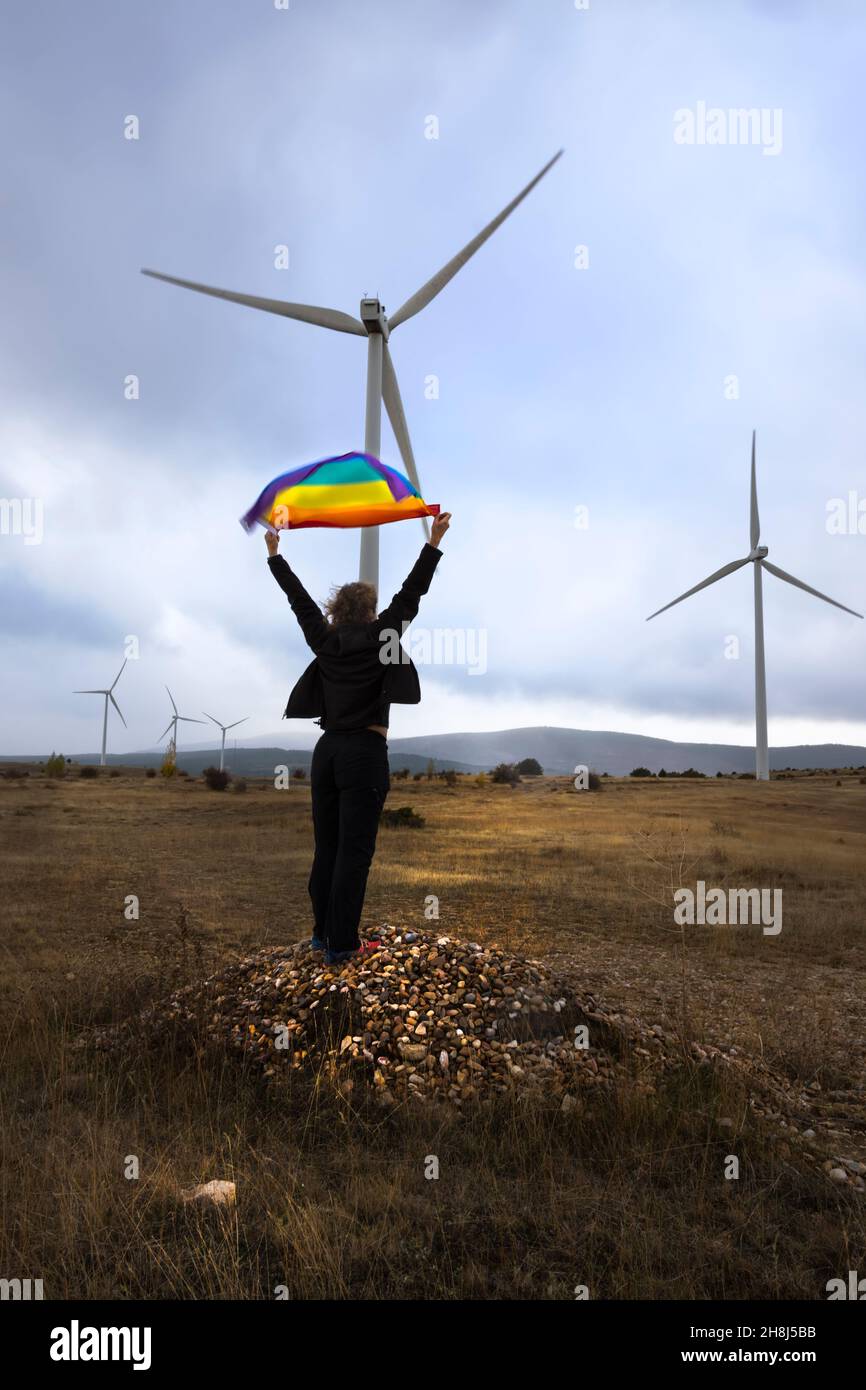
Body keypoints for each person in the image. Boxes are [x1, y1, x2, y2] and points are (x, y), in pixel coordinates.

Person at [266, 512, 451, 964]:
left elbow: (300, 602)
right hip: (364, 753)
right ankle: (343, 944)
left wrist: (275, 557)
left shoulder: (324, 641)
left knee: (327, 847)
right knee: (354, 852)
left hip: (325, 753)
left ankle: (321, 934)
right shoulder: (380, 635)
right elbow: (411, 596)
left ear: (336, 611)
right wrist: (433, 542)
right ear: (369, 610)